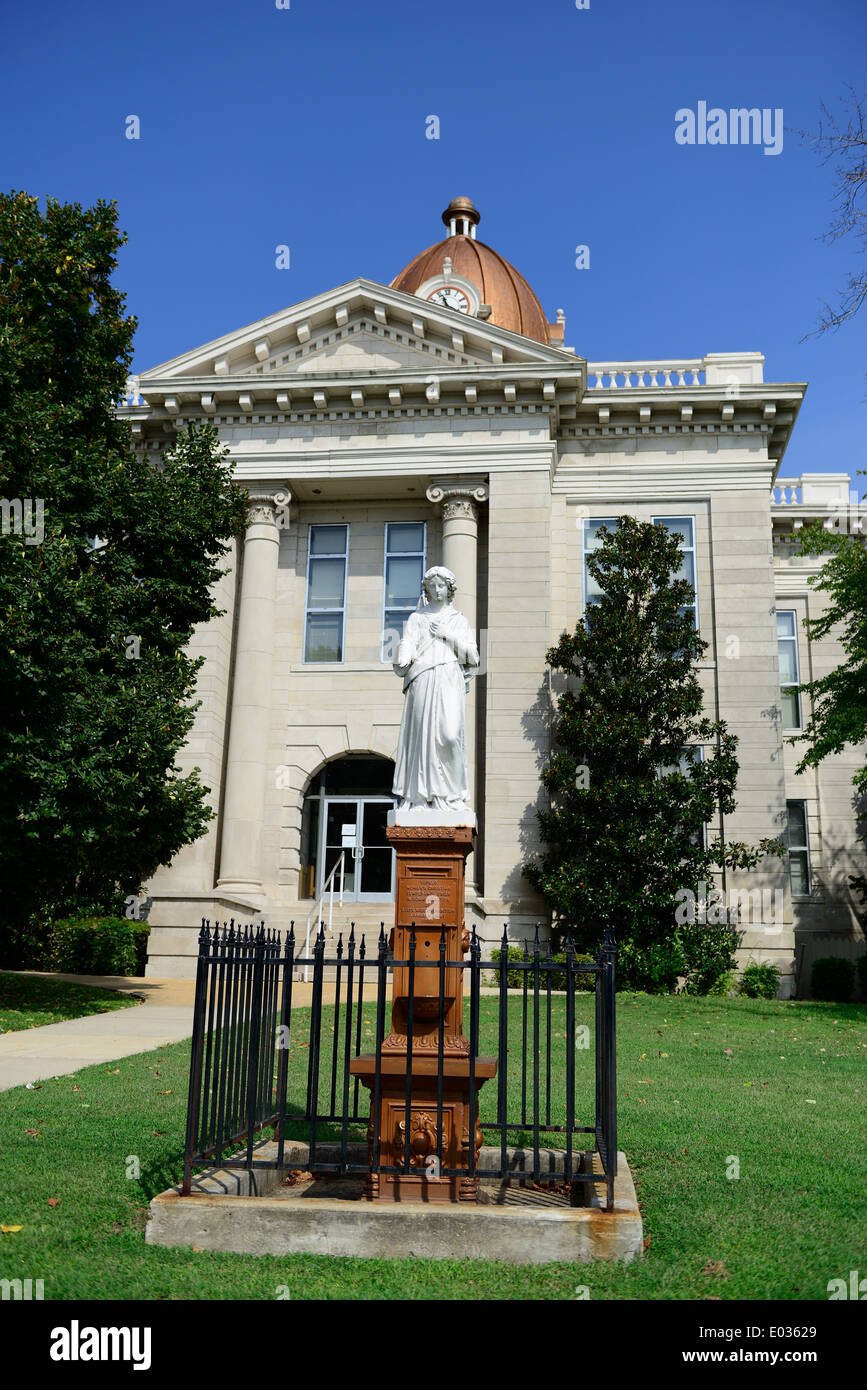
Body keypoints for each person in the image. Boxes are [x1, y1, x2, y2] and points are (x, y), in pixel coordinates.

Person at [391, 566, 479, 813]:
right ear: (426, 590)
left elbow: (473, 656)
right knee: (422, 736)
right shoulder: (416, 619)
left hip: (449, 678)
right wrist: (403, 656)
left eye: (441, 586)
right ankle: (421, 797)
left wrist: (447, 635)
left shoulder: (458, 620)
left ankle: (451, 796)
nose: (437, 590)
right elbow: (407, 644)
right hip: (422, 678)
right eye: (432, 586)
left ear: (449, 589)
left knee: (449, 735)